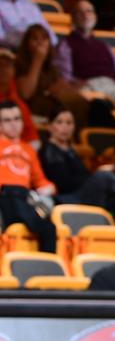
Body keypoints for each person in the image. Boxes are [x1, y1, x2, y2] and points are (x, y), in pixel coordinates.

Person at [55, 0, 115, 109]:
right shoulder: (65, 44)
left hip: (110, 85)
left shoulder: (104, 46)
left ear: (95, 17)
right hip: (88, 86)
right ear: (73, 18)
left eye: (89, 11)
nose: (85, 15)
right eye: (80, 12)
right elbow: (64, 77)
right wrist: (77, 83)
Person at [0, 99, 56, 251]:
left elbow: (41, 181)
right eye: (7, 120)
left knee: (50, 227)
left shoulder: (29, 149)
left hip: (23, 195)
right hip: (4, 192)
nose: (13, 124)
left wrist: (50, 188)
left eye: (17, 119)